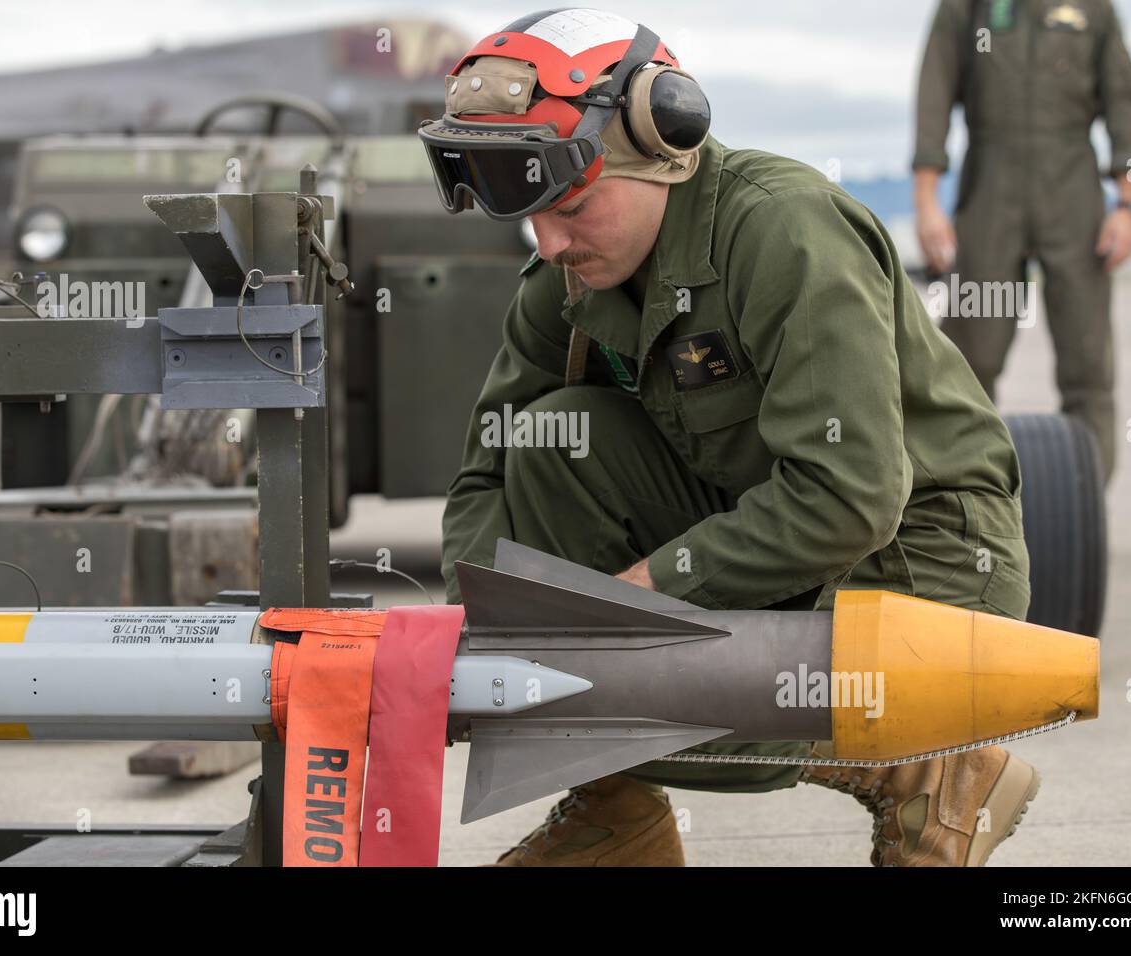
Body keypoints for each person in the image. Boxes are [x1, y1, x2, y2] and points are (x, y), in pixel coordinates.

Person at [422, 8, 1037, 867]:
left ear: (661, 146)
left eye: (573, 206)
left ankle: (926, 772)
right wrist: (482, 633)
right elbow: (485, 476)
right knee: (555, 440)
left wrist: (641, 599)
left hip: (918, 562)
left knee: (599, 684)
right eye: (529, 217)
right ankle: (616, 817)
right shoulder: (567, 280)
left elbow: (851, 496)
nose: (551, 241)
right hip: (761, 533)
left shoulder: (786, 231)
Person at [913, 0, 1131, 484]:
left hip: (1074, 196)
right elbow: (933, 97)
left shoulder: (1092, 9)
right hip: (989, 196)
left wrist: (1127, 207)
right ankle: (966, 503)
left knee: (1087, 367)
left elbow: (1123, 104)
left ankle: (1083, 505)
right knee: (967, 361)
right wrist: (927, 202)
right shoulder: (966, 8)